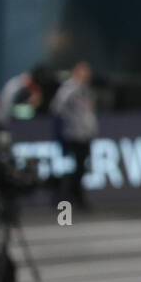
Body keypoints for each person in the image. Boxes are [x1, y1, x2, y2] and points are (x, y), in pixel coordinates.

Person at [51, 61, 99, 211]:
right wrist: (67, 125)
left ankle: (73, 195)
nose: (87, 76)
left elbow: (88, 112)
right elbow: (57, 107)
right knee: (77, 167)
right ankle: (67, 196)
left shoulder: (86, 90)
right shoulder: (69, 89)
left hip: (84, 135)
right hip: (73, 135)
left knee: (81, 168)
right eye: (84, 73)